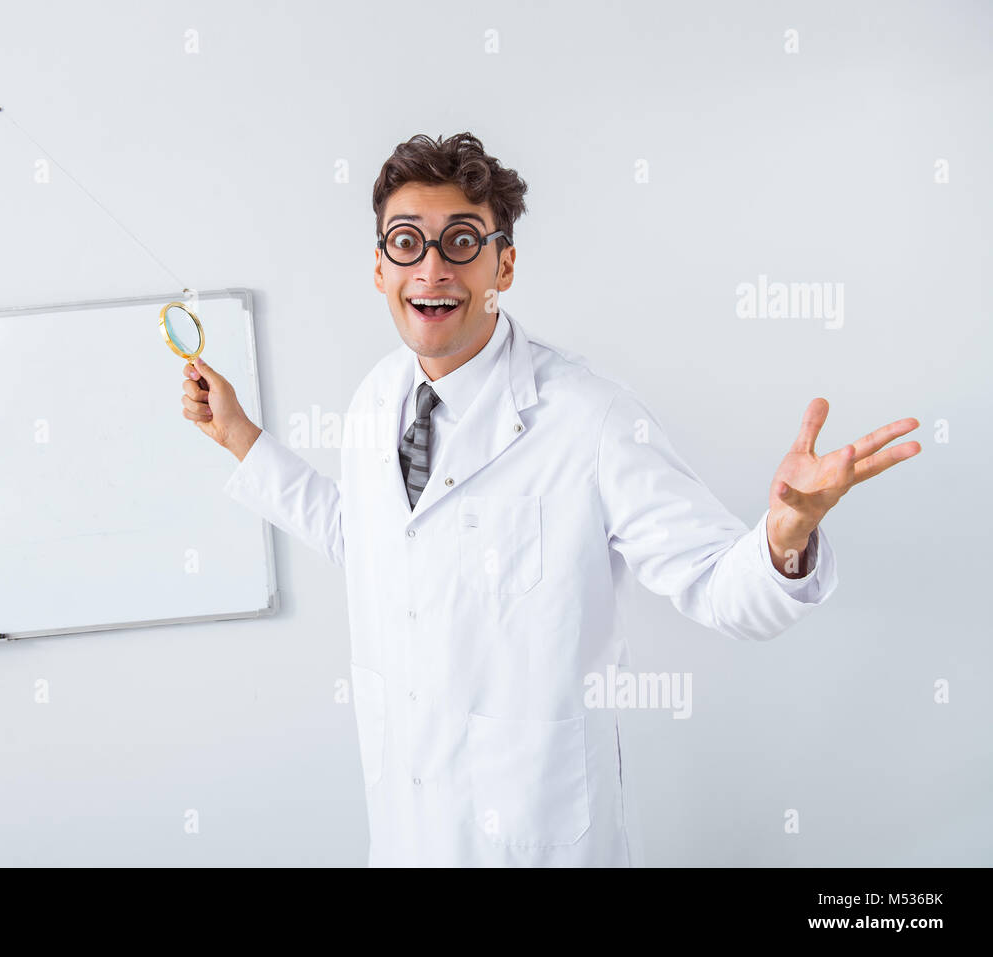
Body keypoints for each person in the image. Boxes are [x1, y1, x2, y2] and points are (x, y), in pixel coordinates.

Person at [178, 132, 921, 867]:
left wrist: (785, 537)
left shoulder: (590, 420)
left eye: (462, 241)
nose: (432, 268)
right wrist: (244, 439)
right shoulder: (377, 397)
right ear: (379, 267)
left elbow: (717, 588)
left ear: (504, 262)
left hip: (539, 841)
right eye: (406, 242)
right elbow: (367, 542)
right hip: (405, 834)